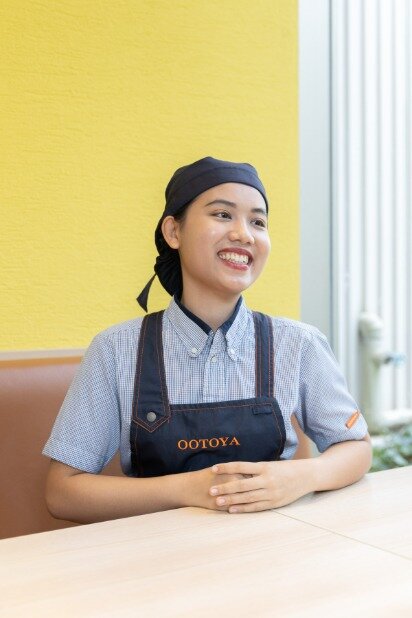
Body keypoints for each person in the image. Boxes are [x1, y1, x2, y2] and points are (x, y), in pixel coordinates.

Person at [43, 156, 372, 523]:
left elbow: (355, 447)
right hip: (156, 550)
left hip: (274, 546)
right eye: (222, 214)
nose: (244, 234)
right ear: (173, 232)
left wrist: (301, 476)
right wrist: (187, 489)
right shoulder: (116, 350)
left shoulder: (299, 344)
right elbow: (62, 492)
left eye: (258, 222)